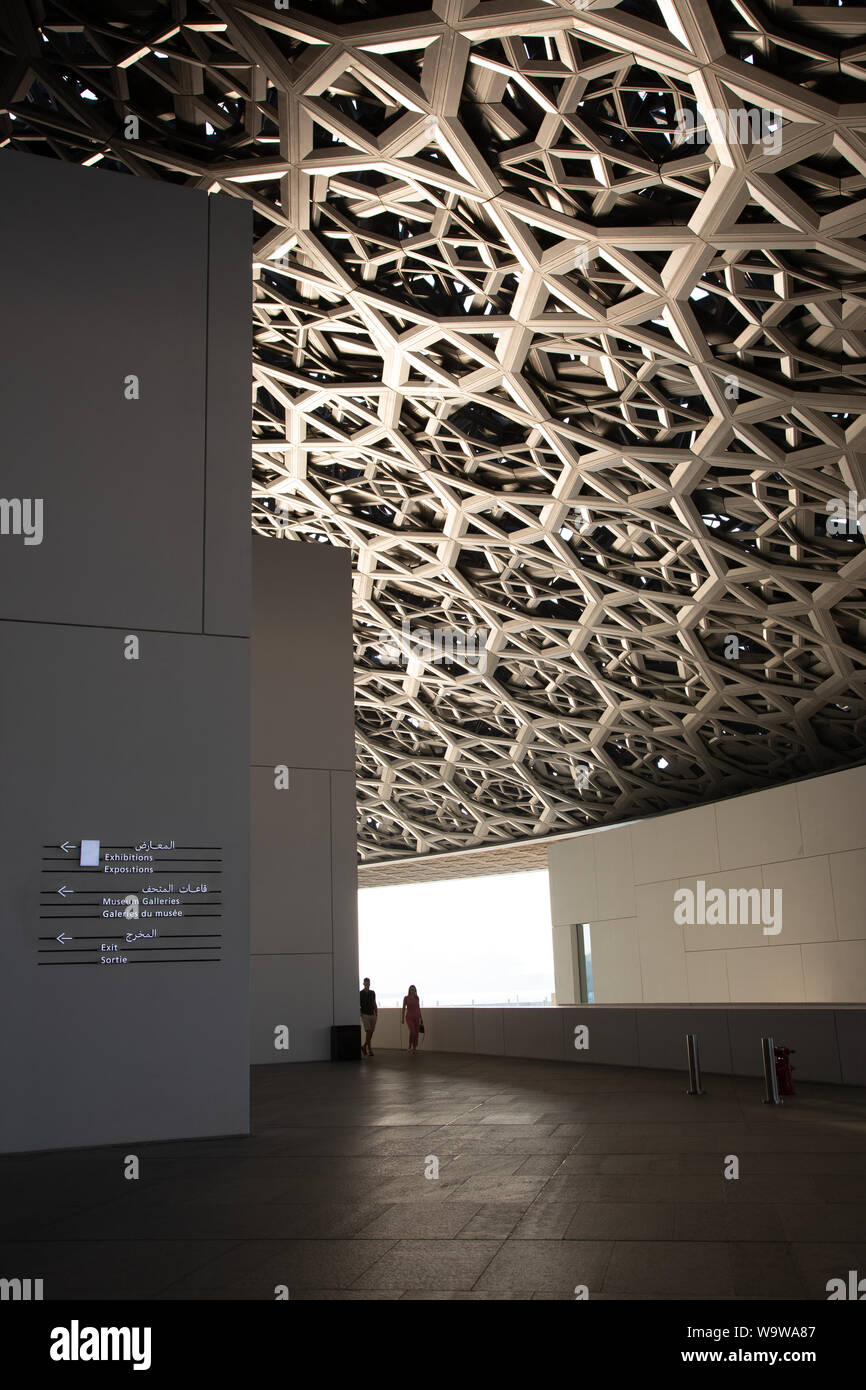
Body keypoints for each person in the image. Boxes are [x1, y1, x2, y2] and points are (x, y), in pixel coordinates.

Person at [401, 985, 423, 1053]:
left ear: (415, 991)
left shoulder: (417, 998)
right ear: (409, 990)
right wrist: (402, 1018)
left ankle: (413, 1047)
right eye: (411, 989)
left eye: (414, 990)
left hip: (416, 1017)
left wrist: (421, 1017)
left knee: (416, 1033)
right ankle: (410, 1045)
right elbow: (404, 1008)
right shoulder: (406, 998)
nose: (412, 991)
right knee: (412, 1031)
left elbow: (418, 1008)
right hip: (409, 1017)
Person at [359, 977, 378, 1056]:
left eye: (368, 982)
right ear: (363, 983)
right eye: (366, 982)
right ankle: (369, 1049)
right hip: (365, 1014)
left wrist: (376, 1012)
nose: (367, 984)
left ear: (369, 983)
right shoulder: (360, 993)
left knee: (371, 1033)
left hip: (372, 1014)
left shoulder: (372, 992)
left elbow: (374, 1002)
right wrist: (361, 1013)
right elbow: (358, 1003)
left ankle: (364, 1046)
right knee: (368, 1032)